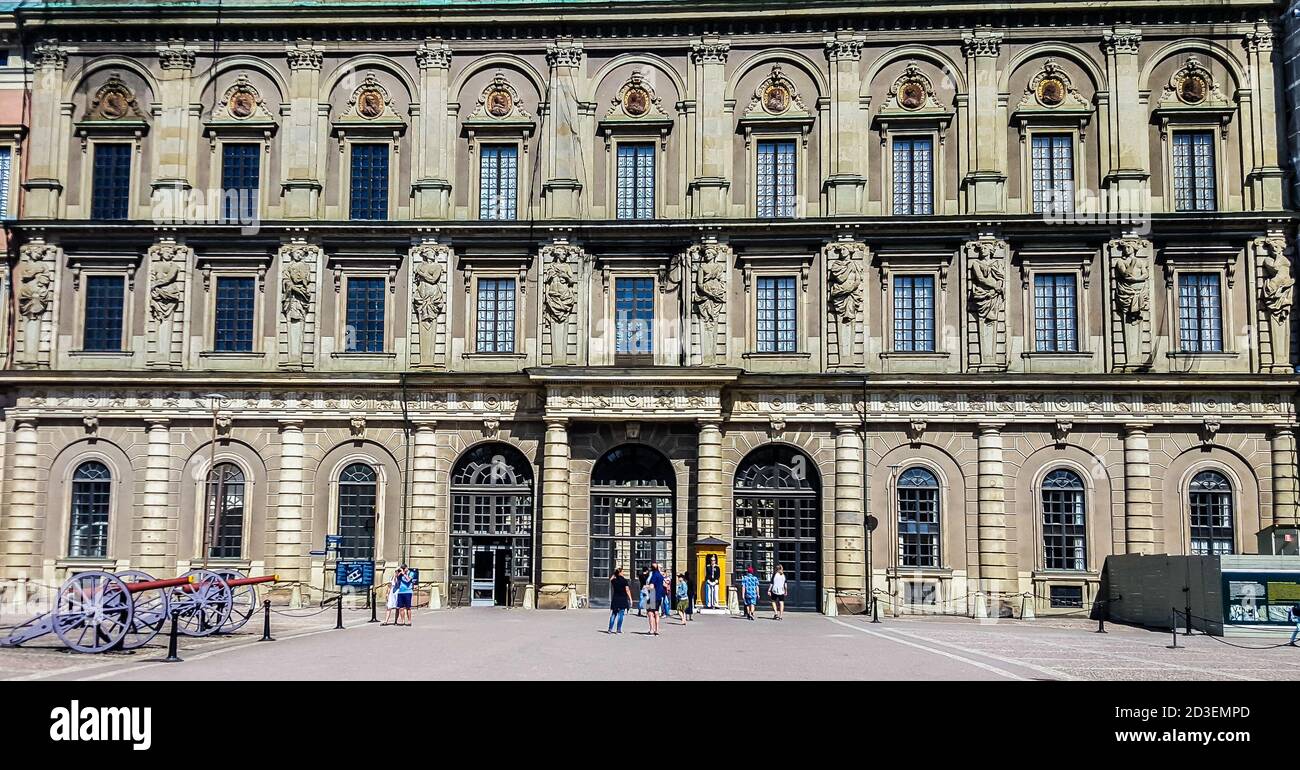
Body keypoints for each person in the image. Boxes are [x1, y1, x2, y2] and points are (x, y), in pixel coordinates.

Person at [608, 567, 633, 634]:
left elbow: (611, 579)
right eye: (622, 572)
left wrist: (615, 574)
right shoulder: (624, 580)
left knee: (614, 614)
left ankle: (610, 629)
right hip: (623, 598)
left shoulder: (614, 580)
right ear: (620, 573)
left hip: (615, 598)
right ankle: (618, 629)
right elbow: (627, 590)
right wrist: (630, 598)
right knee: (621, 614)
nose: (623, 573)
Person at [646, 563, 662, 636]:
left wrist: (646, 587)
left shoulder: (654, 575)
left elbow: (651, 586)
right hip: (659, 596)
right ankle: (657, 630)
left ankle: (652, 630)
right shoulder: (660, 575)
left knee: (650, 613)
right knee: (656, 612)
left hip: (652, 596)